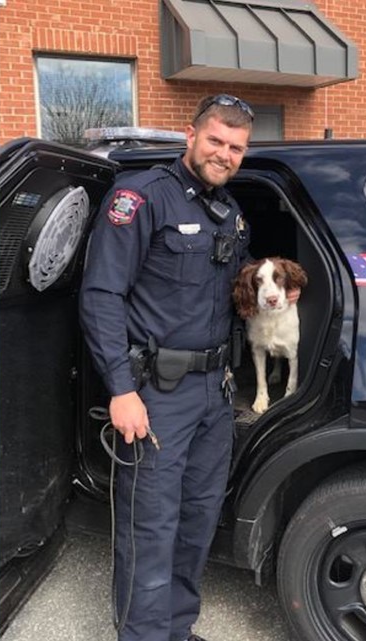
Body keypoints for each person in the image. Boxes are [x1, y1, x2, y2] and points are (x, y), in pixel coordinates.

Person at [79, 94, 257, 641]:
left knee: (197, 520)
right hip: (155, 393)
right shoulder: (140, 198)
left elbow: (225, 290)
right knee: (150, 526)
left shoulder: (230, 212)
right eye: (215, 141)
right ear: (191, 135)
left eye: (236, 147)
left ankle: (175, 630)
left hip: (214, 391)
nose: (224, 154)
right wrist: (121, 388)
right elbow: (102, 294)